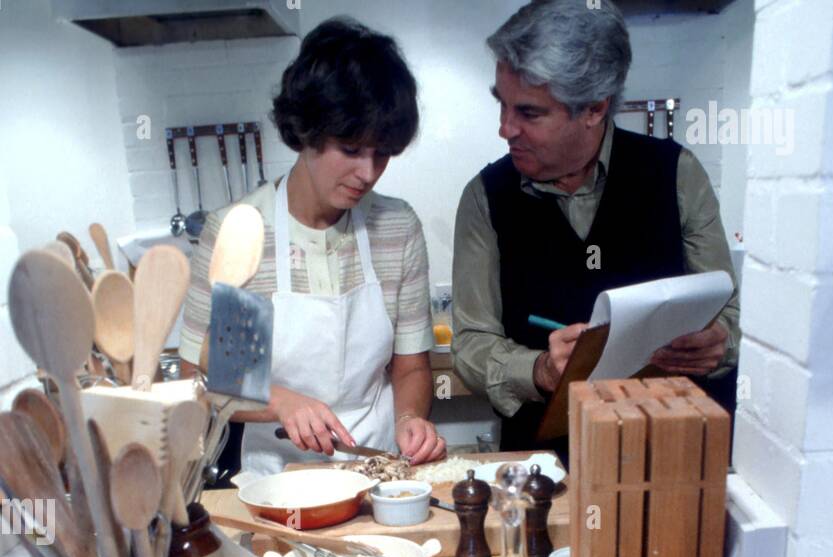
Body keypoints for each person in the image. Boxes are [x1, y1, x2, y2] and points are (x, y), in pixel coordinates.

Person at [452, 0, 740, 457]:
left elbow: (731, 312)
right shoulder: (485, 196)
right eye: (502, 105)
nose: (505, 129)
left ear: (593, 107)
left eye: (529, 113)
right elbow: (471, 344)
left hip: (666, 456)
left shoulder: (676, 173)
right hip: (543, 469)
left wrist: (716, 345)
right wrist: (540, 369)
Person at [179, 18, 447, 475]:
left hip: (376, 469)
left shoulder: (396, 227)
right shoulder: (245, 234)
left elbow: (410, 366)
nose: (368, 172)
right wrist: (280, 401)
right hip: (276, 479)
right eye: (350, 149)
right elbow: (203, 382)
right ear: (306, 133)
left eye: (381, 154)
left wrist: (410, 419)